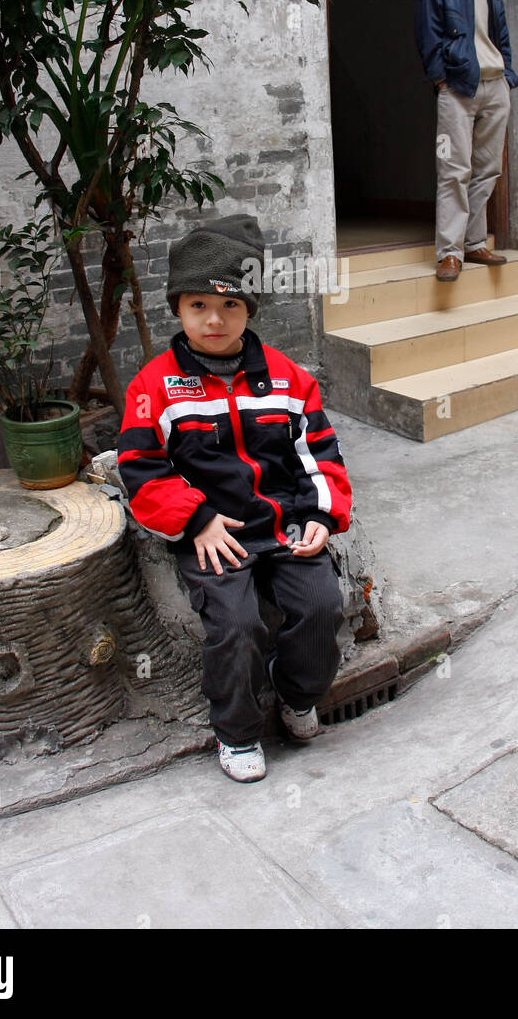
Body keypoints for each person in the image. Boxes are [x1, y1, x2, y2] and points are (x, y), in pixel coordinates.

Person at [117, 214, 351, 783]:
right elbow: (140, 468)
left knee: (321, 607)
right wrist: (194, 521)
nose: (214, 320)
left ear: (251, 312)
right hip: (215, 535)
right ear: (178, 308)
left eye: (231, 306)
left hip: (286, 526)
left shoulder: (289, 379)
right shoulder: (153, 386)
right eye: (198, 305)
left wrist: (321, 514)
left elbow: (319, 454)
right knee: (237, 625)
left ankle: (297, 696)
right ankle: (239, 732)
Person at [415, 0, 518, 281]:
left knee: (488, 169)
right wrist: (440, 79)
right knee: (454, 170)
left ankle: (475, 242)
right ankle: (449, 252)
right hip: (457, 87)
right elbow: (428, 33)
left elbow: (501, 35)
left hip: (495, 86)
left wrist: (506, 73)